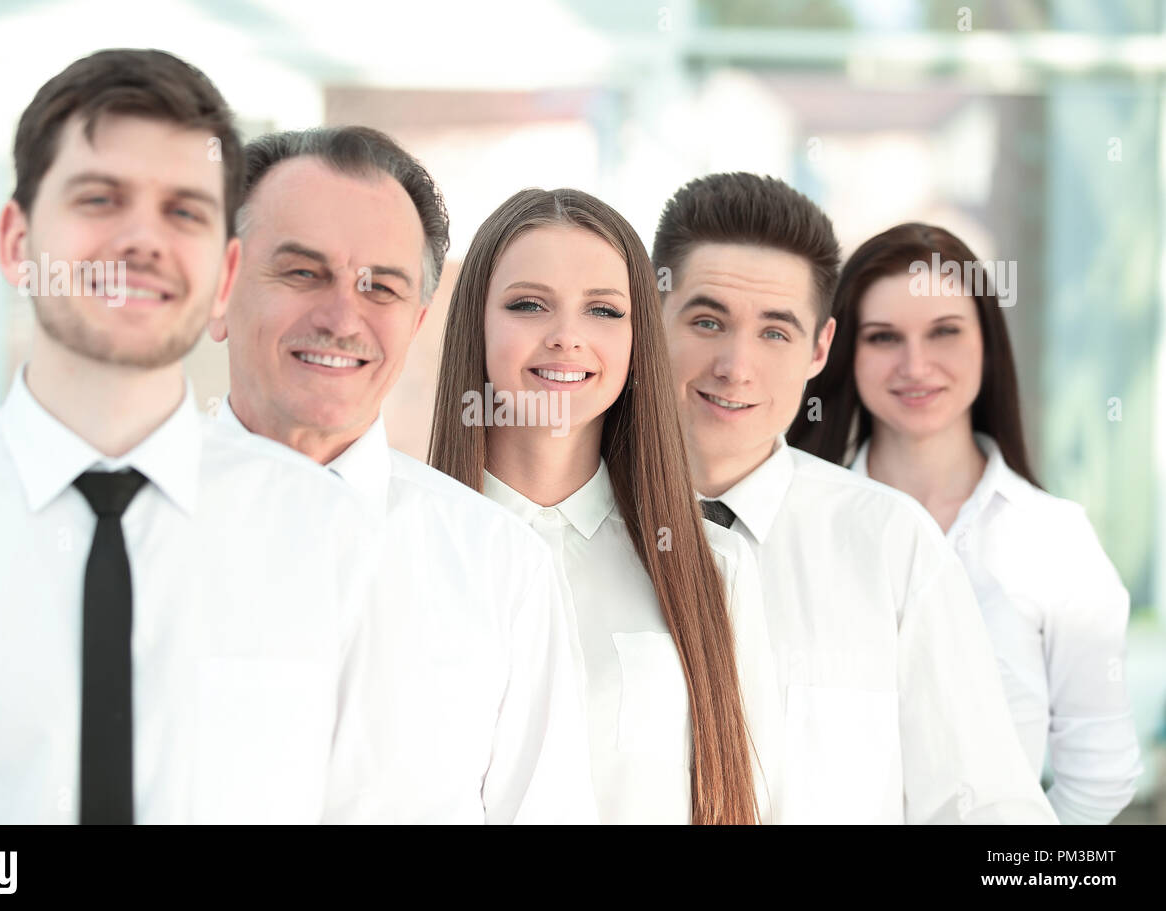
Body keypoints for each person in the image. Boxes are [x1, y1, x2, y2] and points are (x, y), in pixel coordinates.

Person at [0, 49, 372, 824]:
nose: (144, 239)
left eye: (184, 212)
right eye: (101, 199)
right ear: (15, 241)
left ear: (226, 275)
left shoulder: (329, 538)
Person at [207, 128, 598, 824]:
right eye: (302, 273)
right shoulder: (113, 525)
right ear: (218, 292)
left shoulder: (500, 566)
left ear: (417, 321)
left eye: (379, 287)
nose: (340, 318)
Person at [656, 172, 1057, 823]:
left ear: (820, 348)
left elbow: (985, 804)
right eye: (707, 321)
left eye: (776, 332)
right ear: (652, 319)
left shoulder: (893, 545)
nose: (736, 366)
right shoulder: (563, 540)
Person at [428, 187, 783, 825]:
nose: (567, 338)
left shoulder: (715, 571)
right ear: (473, 324)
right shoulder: (403, 551)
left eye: (603, 310)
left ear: (636, 337)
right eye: (528, 305)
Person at [788, 222, 1142, 824]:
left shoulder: (1054, 541)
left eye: (944, 332)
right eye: (883, 338)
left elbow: (1102, 775)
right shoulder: (796, 524)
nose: (915, 365)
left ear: (987, 342)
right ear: (844, 353)